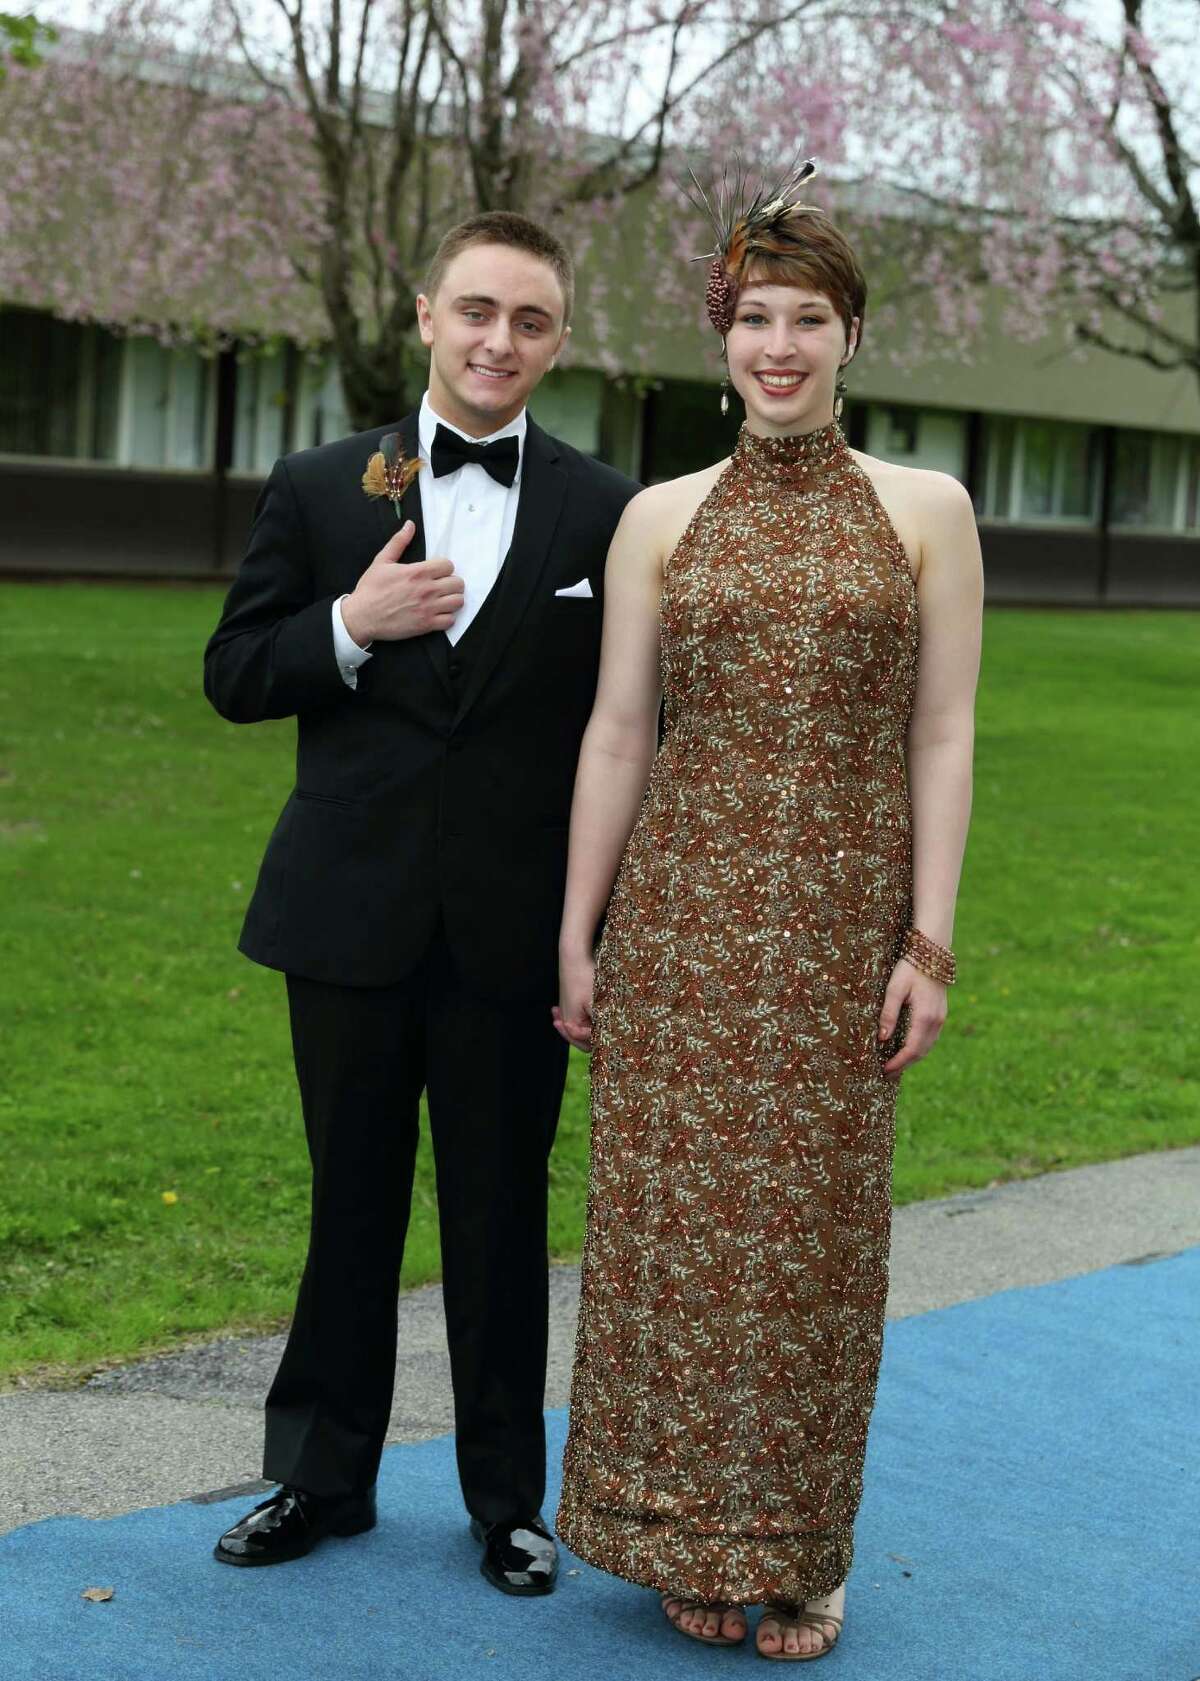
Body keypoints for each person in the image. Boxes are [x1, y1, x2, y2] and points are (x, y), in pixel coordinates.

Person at [551, 159, 982, 1660]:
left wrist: (928, 939)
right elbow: (619, 732)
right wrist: (577, 932)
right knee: (673, 1241)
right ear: (720, 335)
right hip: (675, 933)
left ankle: (800, 1548)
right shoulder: (658, 517)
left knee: (808, 1248)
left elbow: (942, 732)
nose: (778, 347)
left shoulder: (928, 509)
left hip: (835, 938)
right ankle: (679, 1530)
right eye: (754, 319)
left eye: (808, 318)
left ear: (852, 335)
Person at [202, 211, 639, 1592]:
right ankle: (319, 1478)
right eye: (475, 310)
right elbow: (233, 668)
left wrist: (596, 924)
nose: (496, 339)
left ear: (557, 341)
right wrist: (346, 627)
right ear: (426, 314)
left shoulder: (607, 511)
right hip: (345, 917)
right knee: (351, 1204)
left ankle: (508, 1496)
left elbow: (634, 724)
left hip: (514, 932)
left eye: (527, 320)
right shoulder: (327, 481)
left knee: (504, 1217)